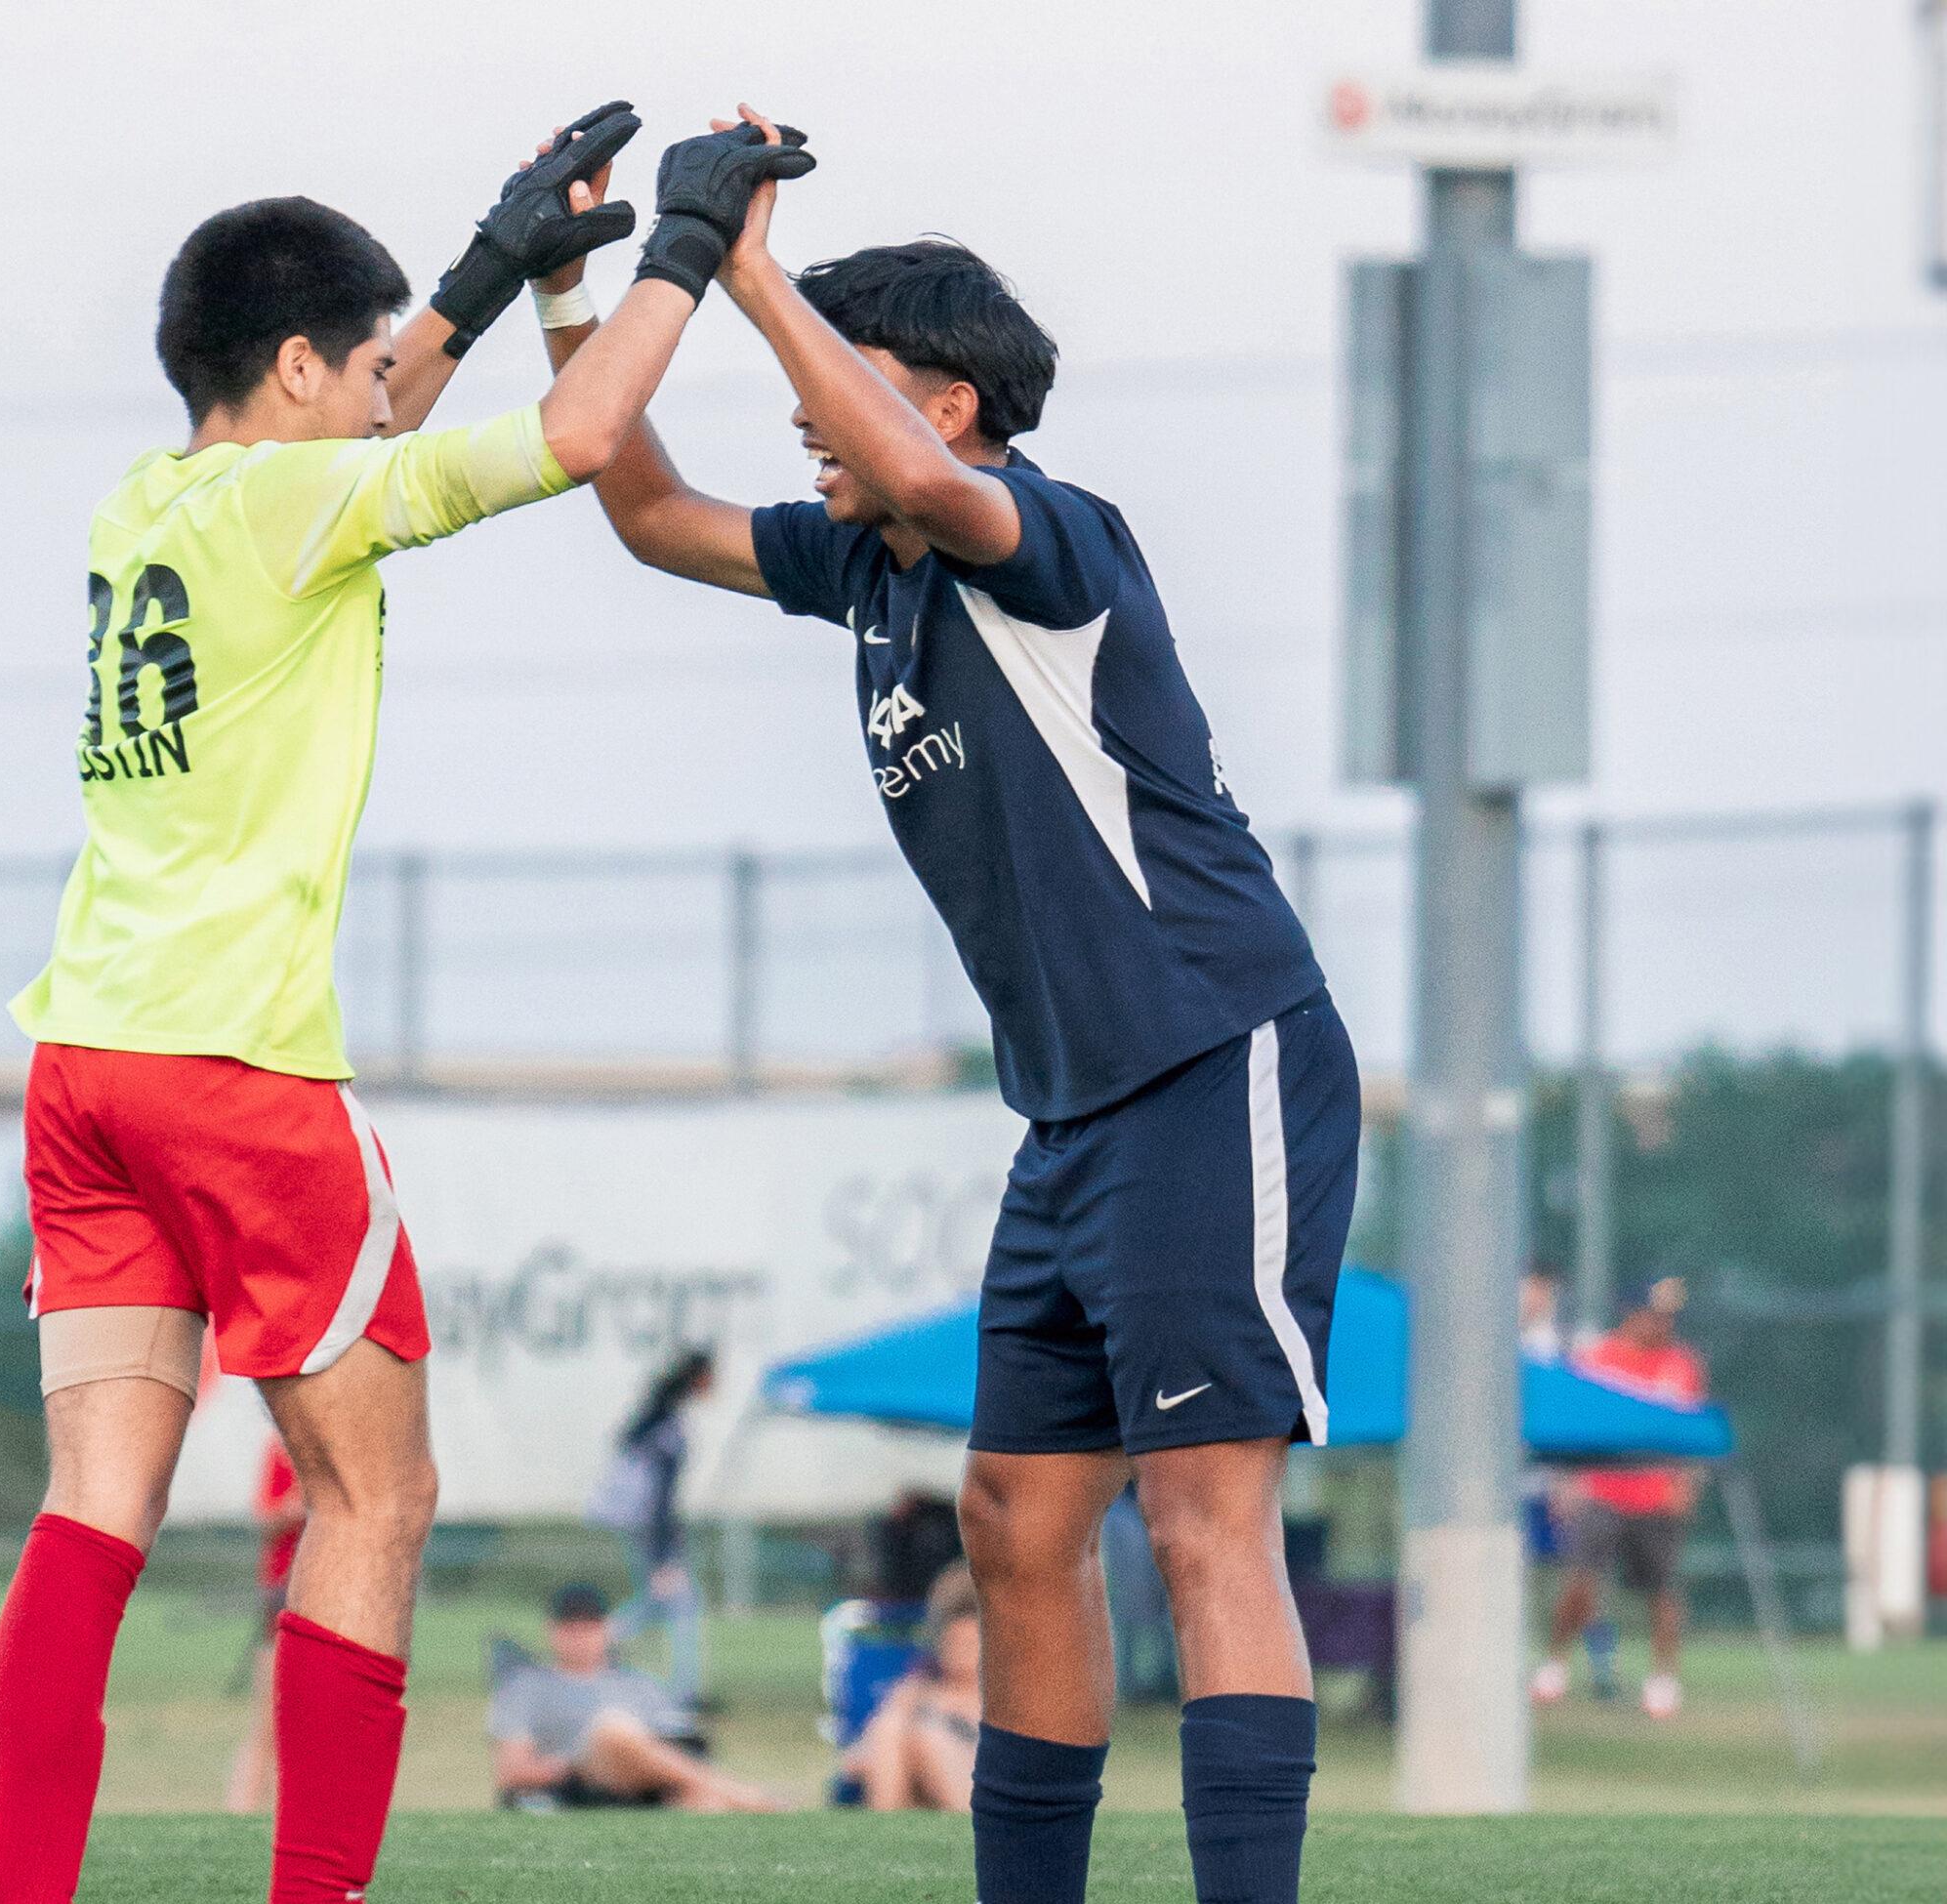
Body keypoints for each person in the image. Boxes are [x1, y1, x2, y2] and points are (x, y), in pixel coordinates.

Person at [0, 103, 816, 1904]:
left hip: (87, 1064)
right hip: (239, 1072)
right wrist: (678, 243)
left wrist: (497, 266)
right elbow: (587, 437)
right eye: (361, 365)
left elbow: (378, 423)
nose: (387, 389)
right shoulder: (299, 501)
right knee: (379, 1501)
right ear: (294, 366)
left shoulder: (156, 502)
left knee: (91, 1516)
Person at [539, 108, 1357, 1904]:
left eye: (851, 379)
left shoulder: (1039, 538)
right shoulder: (873, 574)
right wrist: (565, 291)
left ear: (949, 406)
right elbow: (653, 513)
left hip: (1213, 1055)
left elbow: (917, 478)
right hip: (1072, 1112)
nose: (806, 418)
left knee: (1204, 1516)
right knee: (1011, 1519)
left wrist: (749, 269)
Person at [1534, 1277, 1710, 1720]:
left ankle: (1664, 1679)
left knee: (1663, 1590)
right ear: (1633, 1314)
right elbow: (1572, 1430)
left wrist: (1685, 1485)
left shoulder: (1680, 1363)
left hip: (1655, 1495)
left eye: (1670, 1318)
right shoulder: (1599, 1359)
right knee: (1580, 1581)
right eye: (1656, 1315)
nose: (1664, 1325)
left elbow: (1689, 1432)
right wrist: (1566, 1486)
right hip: (1604, 1490)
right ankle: (1555, 1665)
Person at [488, 1583, 782, 1812]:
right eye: (570, 1628)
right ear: (552, 1631)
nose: (579, 1637)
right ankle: (748, 1796)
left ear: (605, 1630)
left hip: (647, 1784)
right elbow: (512, 1771)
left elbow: (677, 1741)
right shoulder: (527, 1686)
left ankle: (731, 1799)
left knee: (706, 1805)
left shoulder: (638, 1684)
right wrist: (573, 1768)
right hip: (582, 1779)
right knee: (613, 1728)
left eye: (588, 1627)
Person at [589, 1346, 715, 1704]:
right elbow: (660, 1500)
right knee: (679, 1604)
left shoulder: (658, 1419)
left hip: (644, 1528)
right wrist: (664, 1559)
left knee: (659, 1604)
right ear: (698, 1377)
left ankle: (596, 1644)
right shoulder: (668, 1428)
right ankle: (683, 1691)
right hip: (652, 1531)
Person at [848, 1563, 983, 1812]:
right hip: (920, 1791)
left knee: (926, 1738)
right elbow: (857, 1761)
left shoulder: (1008, 1700)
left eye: (970, 1644)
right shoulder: (917, 1690)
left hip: (977, 1787)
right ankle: (889, 1831)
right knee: (892, 1728)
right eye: (954, 1643)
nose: (960, 1654)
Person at [226, 1432, 309, 1815]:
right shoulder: (285, 1448)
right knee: (267, 1724)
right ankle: (240, 1813)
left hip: (333, 1598)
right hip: (282, 1597)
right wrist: (302, 1507)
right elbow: (266, 1518)